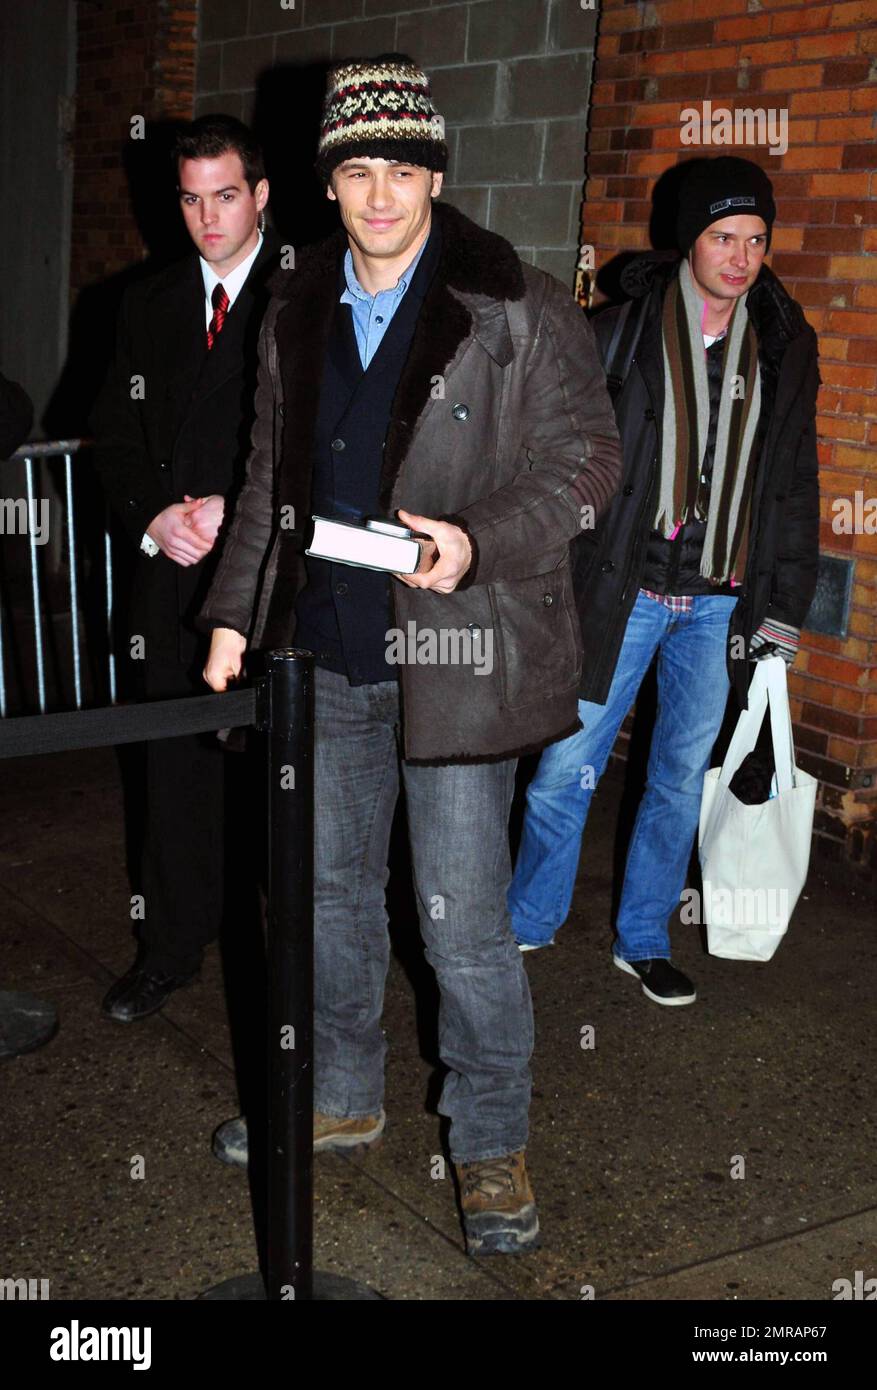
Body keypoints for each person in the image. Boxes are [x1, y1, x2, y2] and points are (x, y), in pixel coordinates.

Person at [200, 54, 621, 1254]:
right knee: (324, 897)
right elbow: (265, 481)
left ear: (435, 173)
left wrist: (477, 541)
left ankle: (489, 1142)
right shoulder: (294, 303)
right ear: (326, 184)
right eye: (357, 169)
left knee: (460, 923)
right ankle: (341, 1094)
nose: (380, 193)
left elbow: (591, 466)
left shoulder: (516, 308)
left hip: (454, 656)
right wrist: (236, 612)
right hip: (320, 652)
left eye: (402, 166)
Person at [509, 156, 820, 1004]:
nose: (740, 256)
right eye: (723, 236)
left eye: (756, 239)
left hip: (717, 600)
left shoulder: (786, 346)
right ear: (688, 239)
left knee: (677, 778)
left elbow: (793, 484)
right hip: (620, 589)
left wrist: (780, 610)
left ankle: (642, 935)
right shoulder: (618, 331)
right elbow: (564, 461)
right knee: (561, 772)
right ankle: (526, 921)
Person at [91, 115, 280, 1022]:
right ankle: (168, 947)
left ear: (262, 197)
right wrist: (156, 516)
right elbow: (113, 441)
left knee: (271, 781)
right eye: (192, 199)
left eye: (227, 196)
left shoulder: (308, 292)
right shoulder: (146, 302)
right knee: (171, 771)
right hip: (168, 578)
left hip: (271, 581)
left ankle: (281, 966)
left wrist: (239, 514)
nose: (208, 218)